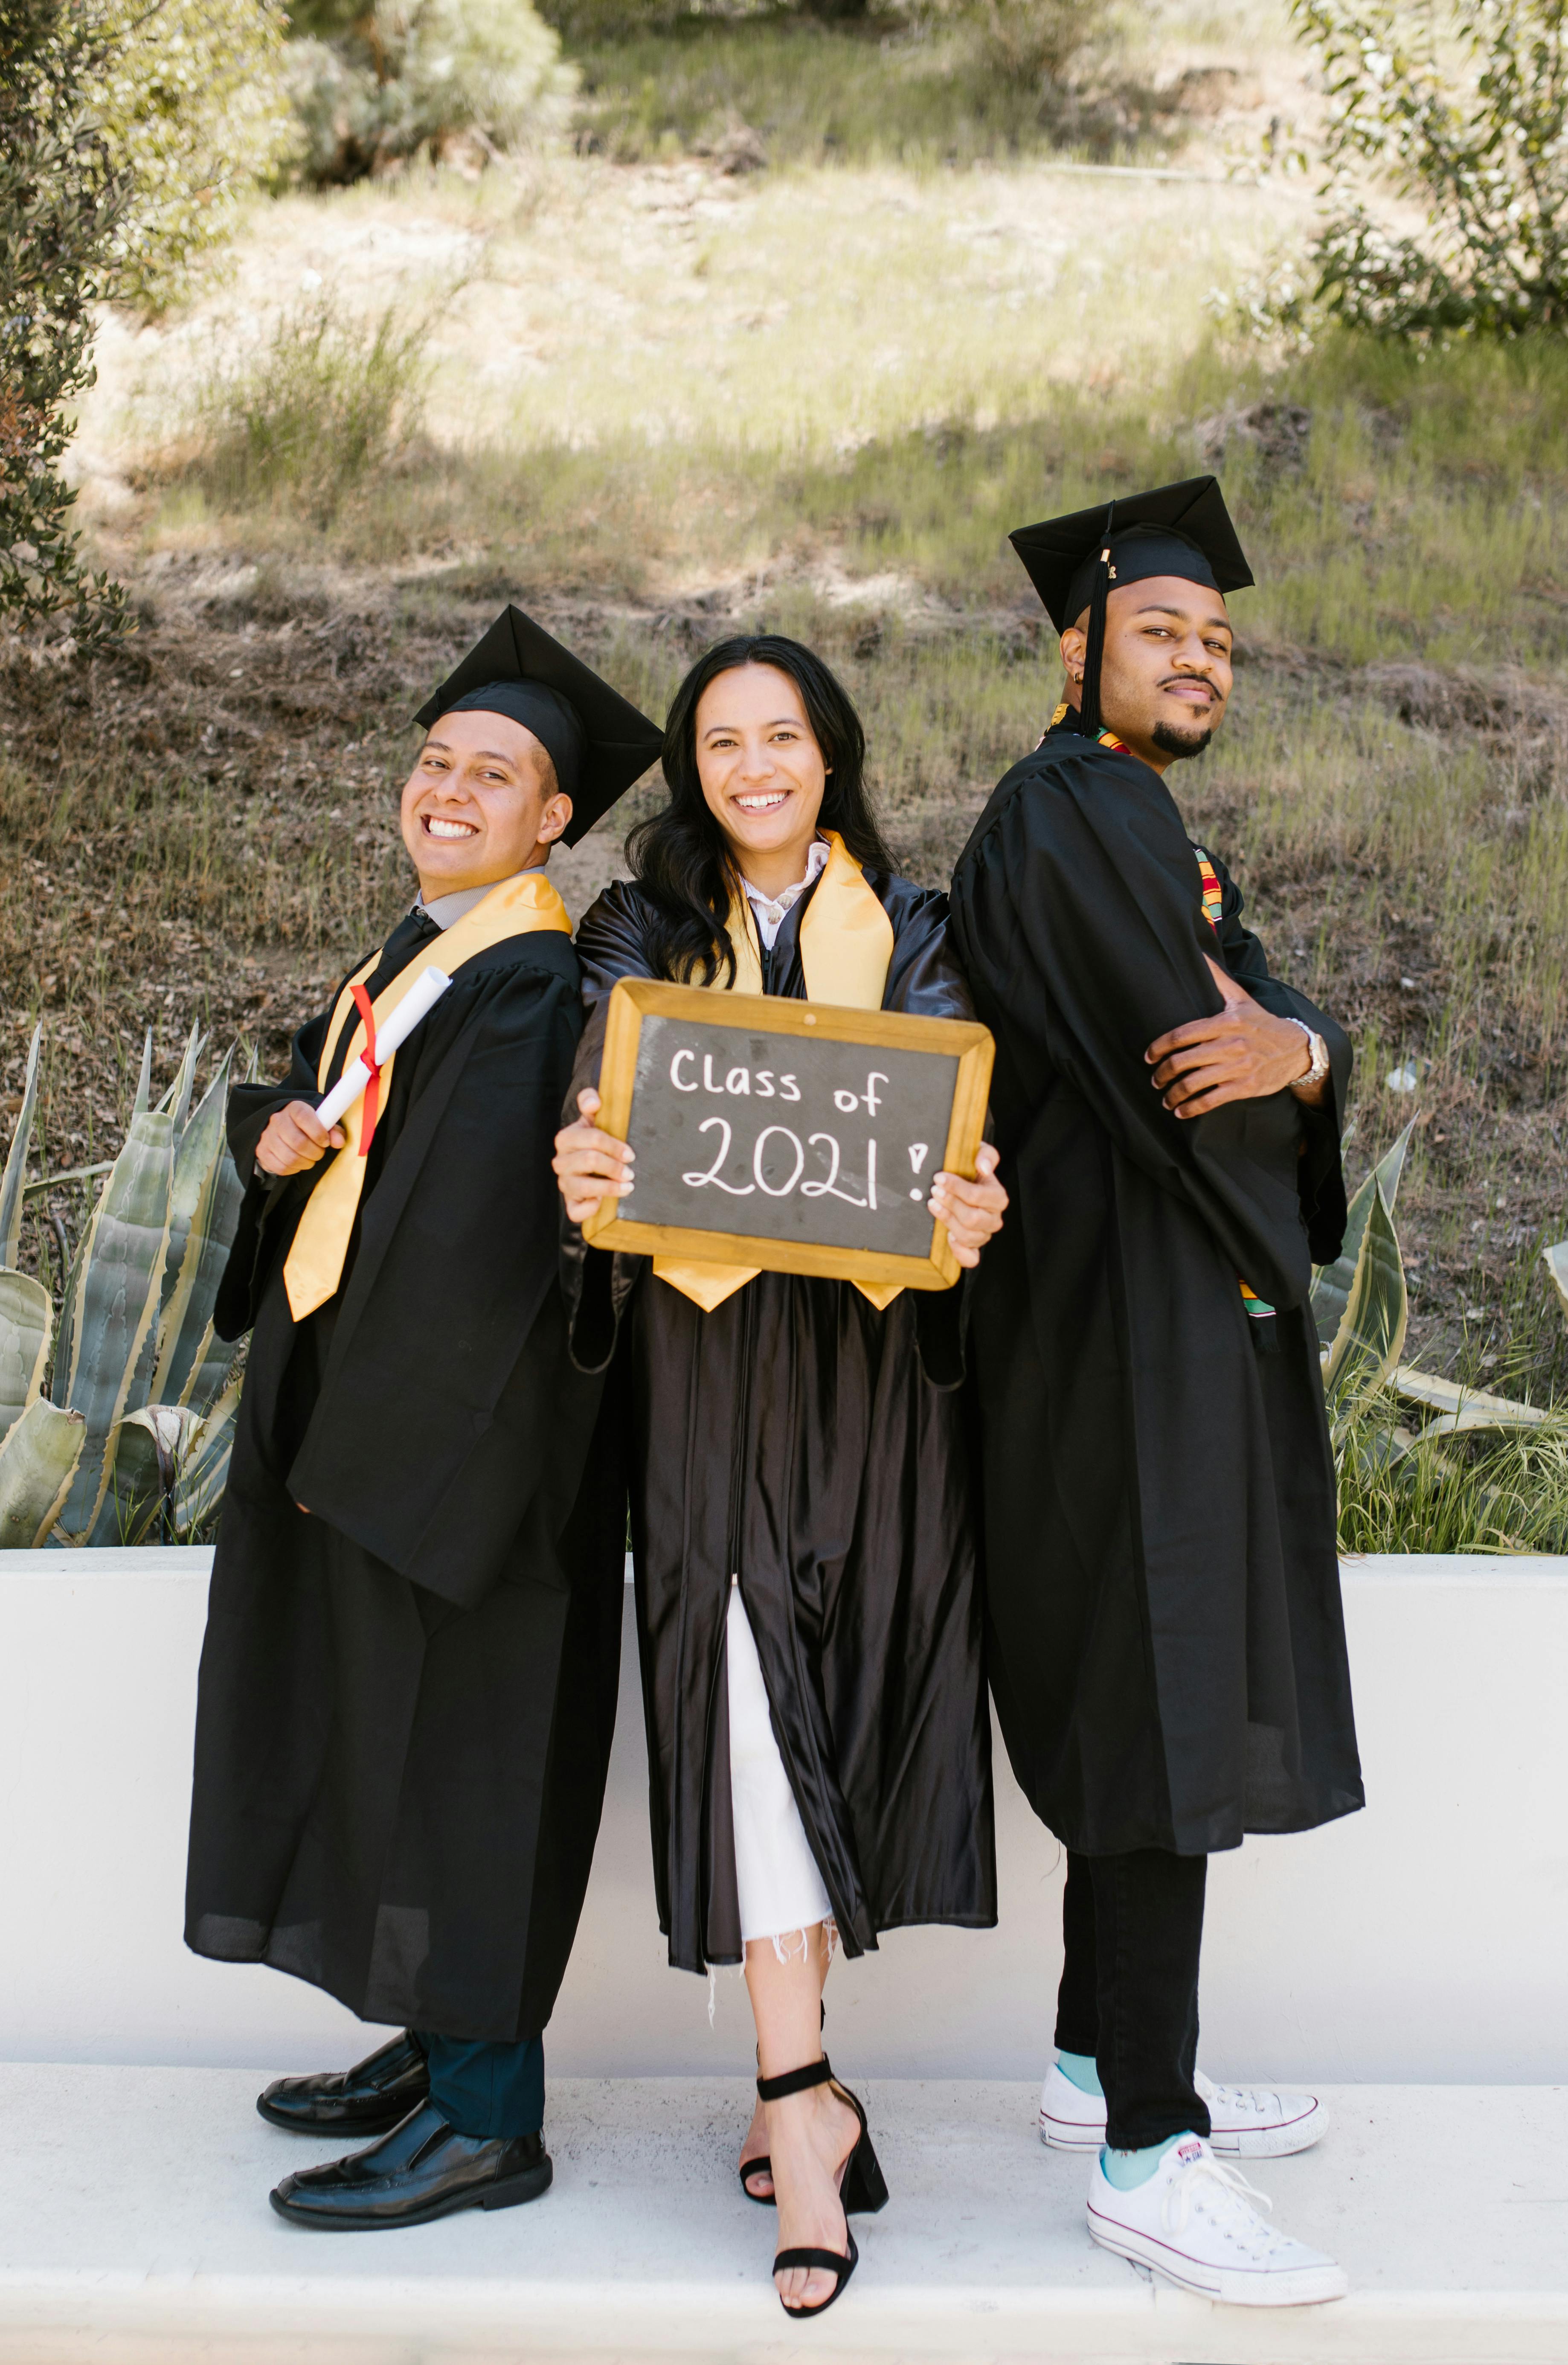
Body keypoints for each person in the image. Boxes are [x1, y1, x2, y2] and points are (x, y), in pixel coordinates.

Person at [184, 606, 662, 2231]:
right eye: (436, 762)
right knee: (387, 1743)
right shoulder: (418, 960)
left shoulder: (532, 988)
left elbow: (481, 1259)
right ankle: (432, 2039)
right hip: (369, 1436)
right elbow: (364, 1168)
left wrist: (363, 1455)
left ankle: (486, 2118)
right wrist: (280, 1142)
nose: (450, 789)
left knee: (472, 1758)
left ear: (558, 822)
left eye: (497, 773)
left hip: (465, 1470)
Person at [553, 634, 1006, 2318]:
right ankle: (799, 2110)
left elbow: (959, 1119)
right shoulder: (638, 926)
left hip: (869, 1380)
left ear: (832, 753)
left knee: (832, 1700)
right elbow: (599, 1102)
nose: (753, 767)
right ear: (691, 766)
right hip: (707, 1374)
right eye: (721, 742)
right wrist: (586, 1162)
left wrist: (969, 1205)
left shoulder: (924, 925)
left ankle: (803, 2082)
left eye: (783, 736)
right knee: (741, 1705)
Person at [948, 479, 1362, 2308]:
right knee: (1158, 1707)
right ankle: (1147, 2149)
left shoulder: (1133, 815)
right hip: (1113, 1329)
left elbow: (1261, 1017)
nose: (1199, 658)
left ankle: (1084, 2065)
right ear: (1076, 647)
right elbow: (1187, 1060)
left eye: (1218, 642)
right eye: (1163, 632)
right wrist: (1276, 1051)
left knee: (1149, 1689)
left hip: (1135, 1318)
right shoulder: (1073, 810)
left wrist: (1309, 1044)